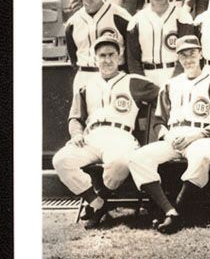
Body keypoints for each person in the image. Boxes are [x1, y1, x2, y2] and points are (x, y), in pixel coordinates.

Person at [52, 33, 159, 229]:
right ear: (95, 58)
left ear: (119, 57)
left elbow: (165, 95)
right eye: (102, 55)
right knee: (60, 160)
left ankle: (100, 200)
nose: (107, 60)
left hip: (121, 136)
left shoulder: (133, 81)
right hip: (91, 137)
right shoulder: (86, 85)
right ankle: (97, 202)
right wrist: (76, 133)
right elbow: (75, 117)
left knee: (120, 162)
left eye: (111, 55)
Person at [127, 35, 210, 234]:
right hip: (174, 136)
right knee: (137, 158)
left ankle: (177, 211)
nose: (188, 59)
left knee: (202, 157)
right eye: (183, 55)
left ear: (201, 54)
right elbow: (158, 122)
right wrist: (167, 136)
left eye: (192, 53)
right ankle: (170, 210)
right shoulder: (170, 84)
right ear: (178, 58)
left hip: (201, 136)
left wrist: (194, 137)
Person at [64, 0, 132, 92]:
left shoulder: (120, 15)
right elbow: (73, 58)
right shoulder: (72, 23)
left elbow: (132, 52)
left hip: (116, 76)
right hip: (85, 76)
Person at [125, 0, 195, 87]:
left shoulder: (182, 16)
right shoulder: (136, 20)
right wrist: (144, 86)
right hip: (147, 76)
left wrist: (173, 84)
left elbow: (187, 54)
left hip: (176, 76)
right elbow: (133, 61)